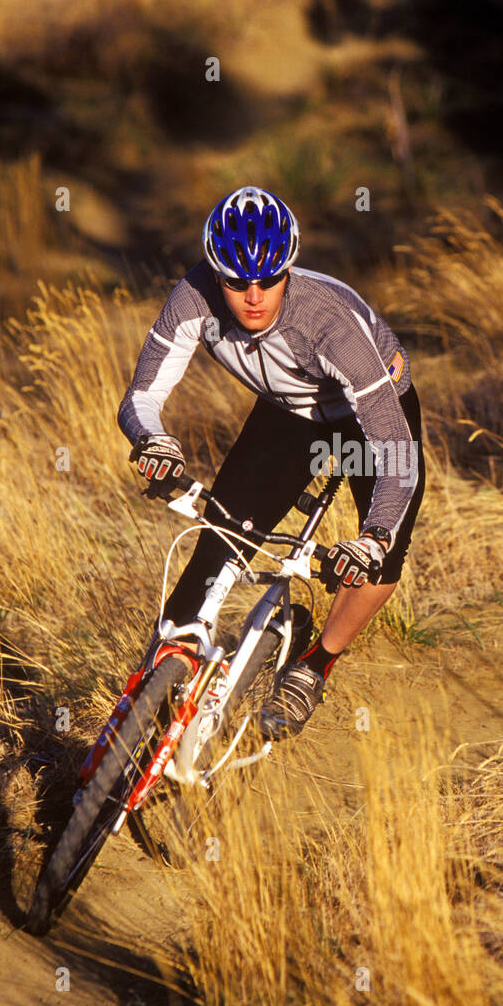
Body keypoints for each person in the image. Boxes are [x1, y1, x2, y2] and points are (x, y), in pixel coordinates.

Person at [118, 185, 425, 740]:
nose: (253, 296)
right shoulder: (192, 298)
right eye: (236, 282)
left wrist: (374, 537)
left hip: (370, 417)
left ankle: (315, 664)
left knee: (386, 554)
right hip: (291, 415)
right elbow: (141, 397)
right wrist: (154, 441)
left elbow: (397, 453)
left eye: (269, 278)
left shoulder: (327, 322)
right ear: (216, 273)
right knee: (222, 536)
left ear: (290, 267)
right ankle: (150, 709)